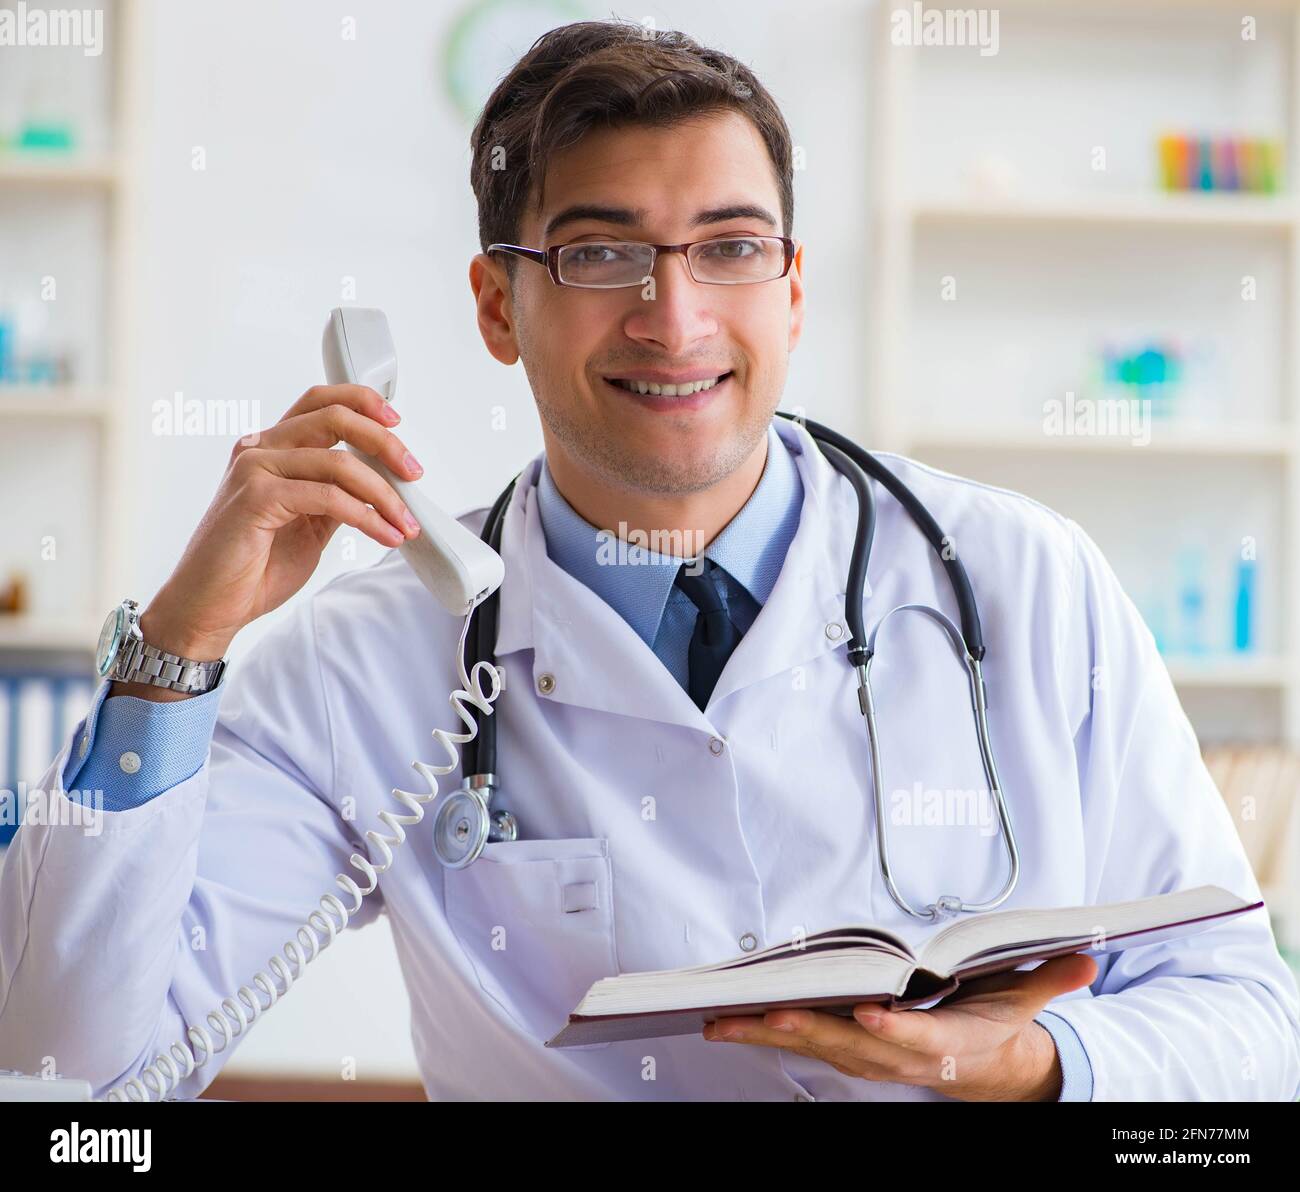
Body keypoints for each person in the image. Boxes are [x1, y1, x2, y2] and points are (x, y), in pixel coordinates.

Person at [1, 19, 1297, 1102]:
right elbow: (75, 1057)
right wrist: (181, 644)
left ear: (789, 288)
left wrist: (1029, 1065)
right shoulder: (370, 666)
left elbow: (1251, 1031)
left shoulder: (1025, 582)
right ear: (499, 305)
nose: (671, 316)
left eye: (729, 247)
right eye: (601, 251)